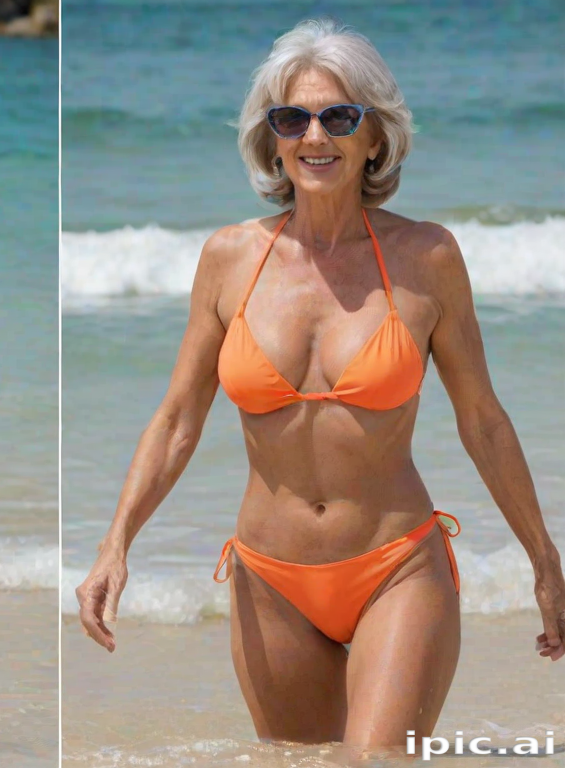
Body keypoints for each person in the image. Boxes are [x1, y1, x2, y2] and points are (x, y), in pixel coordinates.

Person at [75, 18, 565, 748]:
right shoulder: (229, 258)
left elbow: (483, 421)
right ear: (270, 137)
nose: (315, 136)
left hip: (396, 567)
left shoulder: (427, 257)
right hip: (268, 580)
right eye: (292, 118)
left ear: (375, 136)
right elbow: (179, 417)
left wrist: (545, 561)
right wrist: (115, 544)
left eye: (339, 117)